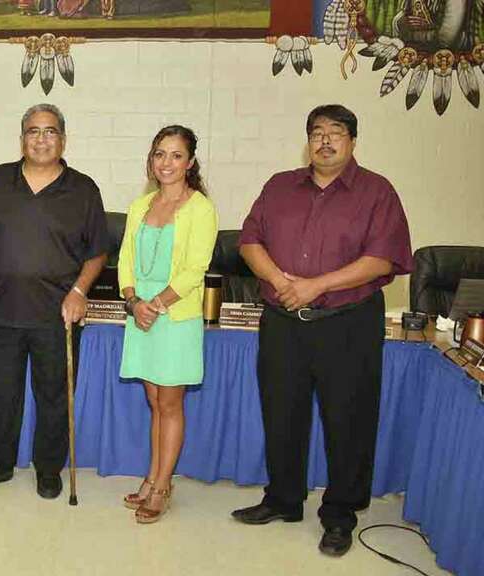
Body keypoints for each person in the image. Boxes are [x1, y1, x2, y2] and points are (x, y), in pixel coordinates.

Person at [231, 104, 413, 557]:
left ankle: (339, 515)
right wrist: (281, 282)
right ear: (307, 141)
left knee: (348, 421)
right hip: (282, 323)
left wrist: (316, 286)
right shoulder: (279, 186)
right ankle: (283, 499)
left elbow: (382, 259)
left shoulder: (377, 192)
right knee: (281, 413)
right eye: (316, 132)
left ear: (352, 141)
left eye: (336, 132)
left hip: (347, 324)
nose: (325, 140)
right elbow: (249, 241)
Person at [0, 103, 109, 500]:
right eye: (33, 131)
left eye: (50, 132)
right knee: (0, 394)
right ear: (22, 139)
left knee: (54, 396)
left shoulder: (83, 189)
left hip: (56, 314)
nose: (41, 139)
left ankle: (48, 469)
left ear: (63, 139)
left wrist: (79, 291)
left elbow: (98, 251)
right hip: (0, 309)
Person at [115, 125, 217, 523]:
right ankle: (152, 477)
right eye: (160, 154)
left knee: (170, 403)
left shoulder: (200, 209)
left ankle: (162, 486)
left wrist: (155, 305)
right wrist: (133, 301)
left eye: (176, 155)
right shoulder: (141, 205)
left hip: (173, 316)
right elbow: (125, 258)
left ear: (190, 163)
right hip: (140, 314)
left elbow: (195, 270)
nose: (166, 163)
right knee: (155, 401)